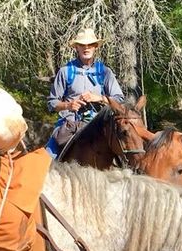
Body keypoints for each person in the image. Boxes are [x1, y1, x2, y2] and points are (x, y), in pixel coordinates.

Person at [45, 28, 126, 157]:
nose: (86, 48)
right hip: (69, 125)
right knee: (47, 159)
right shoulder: (65, 71)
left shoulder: (105, 72)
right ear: (76, 47)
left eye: (90, 45)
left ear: (95, 47)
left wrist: (98, 98)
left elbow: (120, 100)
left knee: (126, 157)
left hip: (100, 127)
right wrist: (68, 105)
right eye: (82, 45)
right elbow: (51, 103)